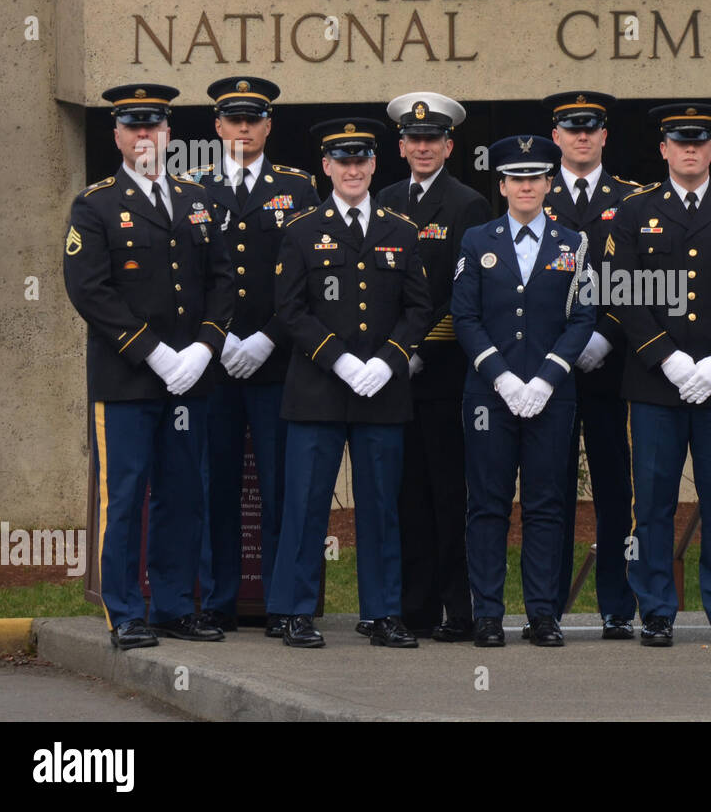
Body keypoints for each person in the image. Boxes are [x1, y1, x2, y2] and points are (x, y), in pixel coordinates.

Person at [63, 83, 234, 649]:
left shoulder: (196, 198)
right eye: (134, 127)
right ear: (117, 135)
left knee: (183, 493)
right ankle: (126, 611)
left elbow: (223, 280)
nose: (145, 136)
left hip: (190, 377)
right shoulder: (96, 204)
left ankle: (173, 606)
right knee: (127, 495)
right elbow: (90, 290)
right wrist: (154, 352)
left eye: (154, 126)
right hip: (129, 380)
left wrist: (204, 348)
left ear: (168, 134)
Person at [608, 103, 711, 648]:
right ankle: (656, 610)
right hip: (657, 384)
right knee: (652, 501)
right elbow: (622, 291)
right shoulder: (635, 212)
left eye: (699, 142)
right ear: (663, 150)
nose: (689, 150)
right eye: (679, 142)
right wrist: (669, 357)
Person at [267, 118, 433, 649]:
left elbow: (419, 308)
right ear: (327, 167)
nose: (353, 169)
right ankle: (294, 611)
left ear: (374, 165)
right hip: (318, 388)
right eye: (343, 161)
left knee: (381, 505)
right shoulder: (300, 230)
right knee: (306, 504)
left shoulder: (401, 230)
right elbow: (289, 309)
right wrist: (338, 360)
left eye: (361, 160)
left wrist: (388, 360)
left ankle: (383, 613)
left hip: (382, 390)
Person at [452, 135, 596, 648]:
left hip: (551, 396)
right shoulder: (477, 240)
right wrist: (504, 378)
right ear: (503, 185)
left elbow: (582, 318)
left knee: (546, 505)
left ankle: (542, 614)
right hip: (491, 395)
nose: (526, 186)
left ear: (549, 183)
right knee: (488, 505)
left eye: (535, 177)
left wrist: (546, 378)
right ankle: (488, 614)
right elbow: (464, 317)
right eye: (517, 178)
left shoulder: (573, 243)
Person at [191, 76, 319, 639]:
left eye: (254, 119)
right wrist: (218, 339)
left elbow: (307, 278)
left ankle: (281, 602)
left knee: (280, 488)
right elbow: (190, 281)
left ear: (268, 126)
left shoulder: (300, 188)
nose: (244, 128)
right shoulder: (193, 189)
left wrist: (269, 337)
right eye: (233, 120)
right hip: (214, 367)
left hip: (276, 362)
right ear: (218, 127)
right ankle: (218, 600)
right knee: (214, 485)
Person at [376, 91, 490, 643]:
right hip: (395, 375)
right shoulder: (385, 198)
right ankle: (412, 607)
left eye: (432, 139)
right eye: (413, 139)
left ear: (449, 145)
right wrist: (395, 352)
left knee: (449, 494)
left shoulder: (468, 204)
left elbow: (465, 292)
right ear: (401, 146)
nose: (423, 147)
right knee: (407, 495)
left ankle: (458, 609)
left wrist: (421, 348)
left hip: (444, 373)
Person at [541, 90, 641, 639]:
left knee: (614, 487)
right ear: (556, 136)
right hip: (550, 369)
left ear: (605, 136)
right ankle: (547, 604)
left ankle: (617, 606)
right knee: (550, 486)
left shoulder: (630, 198)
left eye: (592, 128)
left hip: (613, 366)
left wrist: (606, 333)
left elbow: (640, 281)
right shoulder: (532, 190)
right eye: (571, 128)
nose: (582, 136)